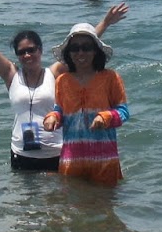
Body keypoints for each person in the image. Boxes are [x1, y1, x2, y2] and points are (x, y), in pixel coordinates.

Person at [0, 0, 127, 172]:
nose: (27, 55)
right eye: (22, 52)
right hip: (22, 153)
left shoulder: (54, 73)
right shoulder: (11, 75)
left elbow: (80, 48)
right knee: (24, 206)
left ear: (40, 50)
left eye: (31, 50)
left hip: (56, 153)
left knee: (55, 206)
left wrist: (105, 23)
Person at [42, 22, 128, 185]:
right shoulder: (62, 81)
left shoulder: (110, 78)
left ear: (96, 51)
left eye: (87, 47)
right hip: (72, 160)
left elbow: (123, 112)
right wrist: (53, 117)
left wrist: (105, 117)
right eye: (75, 48)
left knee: (105, 208)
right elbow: (60, 110)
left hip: (104, 160)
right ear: (69, 53)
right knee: (71, 208)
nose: (81, 52)